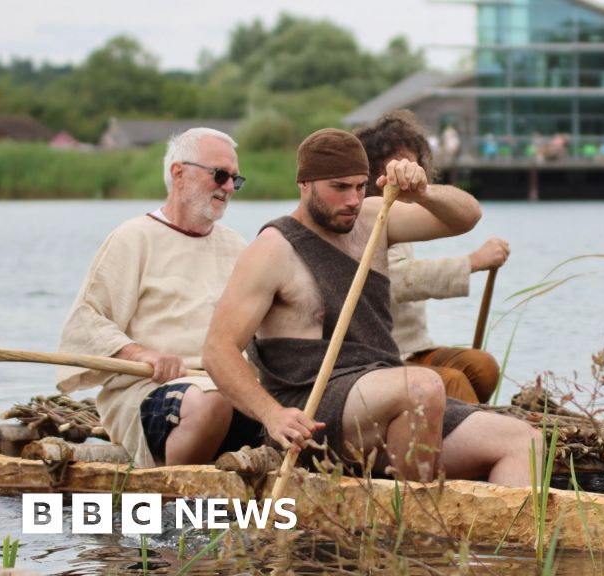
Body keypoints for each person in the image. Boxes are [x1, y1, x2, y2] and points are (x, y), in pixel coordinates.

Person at [203, 128, 541, 486]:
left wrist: (424, 192)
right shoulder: (272, 250)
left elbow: (467, 217)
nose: (352, 199)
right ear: (304, 184)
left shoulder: (373, 218)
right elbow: (218, 350)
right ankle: (413, 515)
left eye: (360, 186)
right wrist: (272, 414)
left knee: (524, 441)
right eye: (339, 187)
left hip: (387, 397)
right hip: (313, 413)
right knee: (422, 386)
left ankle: (482, 523)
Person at [57, 127, 261, 467]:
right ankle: (174, 491)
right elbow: (86, 322)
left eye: (235, 180)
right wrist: (144, 354)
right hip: (148, 390)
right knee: (210, 402)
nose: (228, 187)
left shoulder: (237, 247)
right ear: (178, 174)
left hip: (223, 387)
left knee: (293, 409)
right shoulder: (133, 238)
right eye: (220, 175)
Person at [355, 110, 508, 405]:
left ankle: (454, 420)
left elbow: (469, 213)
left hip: (413, 347)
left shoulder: (404, 210)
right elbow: (396, 280)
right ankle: (471, 428)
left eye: (413, 164)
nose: (409, 172)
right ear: (373, 169)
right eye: (398, 164)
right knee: (453, 382)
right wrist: (472, 263)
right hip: (376, 357)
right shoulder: (361, 212)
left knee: (482, 367)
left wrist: (423, 193)